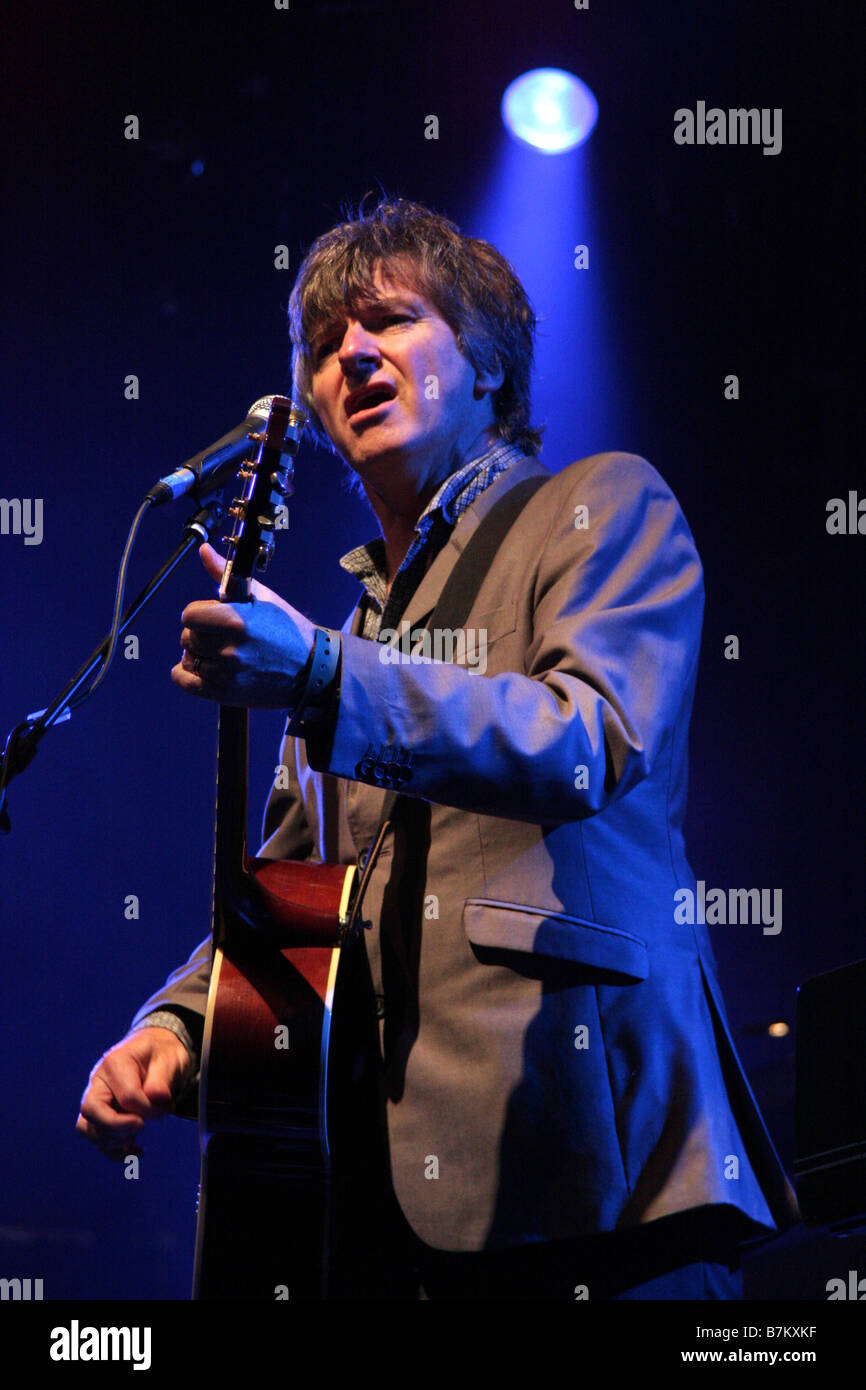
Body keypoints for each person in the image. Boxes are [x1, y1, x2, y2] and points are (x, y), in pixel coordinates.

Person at [77, 198, 798, 1299]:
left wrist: (321, 674)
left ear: (490, 369)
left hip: (591, 1171)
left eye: (394, 321)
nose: (352, 353)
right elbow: (291, 891)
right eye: (325, 345)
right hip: (386, 1210)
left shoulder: (597, 506)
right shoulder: (355, 635)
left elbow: (588, 738)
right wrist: (176, 1024)